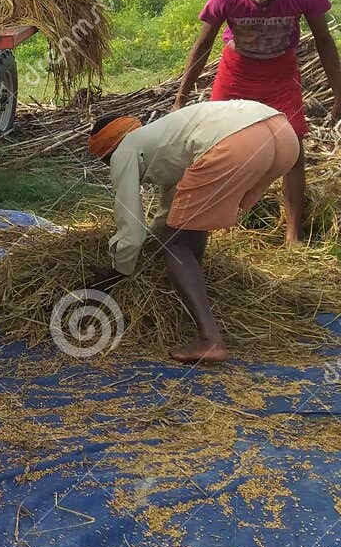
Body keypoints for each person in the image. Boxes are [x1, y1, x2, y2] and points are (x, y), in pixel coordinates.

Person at [87, 102, 299, 364]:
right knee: (189, 227)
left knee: (176, 245)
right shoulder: (164, 141)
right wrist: (151, 251)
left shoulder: (124, 151)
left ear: (108, 153)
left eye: (106, 162)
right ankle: (190, 299)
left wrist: (115, 274)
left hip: (235, 141)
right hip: (281, 134)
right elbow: (170, 214)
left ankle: (211, 340)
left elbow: (131, 229)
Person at [172, 0, 341, 245]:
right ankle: (213, 224)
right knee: (218, 146)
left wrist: (340, 98)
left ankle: (293, 234)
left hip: (281, 76)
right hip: (236, 73)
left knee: (293, 149)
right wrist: (181, 97)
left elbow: (324, 41)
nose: (259, 0)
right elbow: (203, 44)